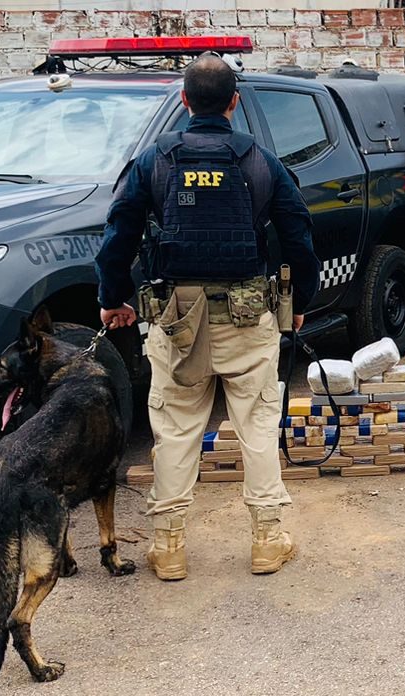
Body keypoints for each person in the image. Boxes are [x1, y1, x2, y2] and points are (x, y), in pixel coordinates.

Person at [95, 54, 320, 580]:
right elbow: (298, 237)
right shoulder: (261, 161)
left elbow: (119, 233)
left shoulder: (155, 161)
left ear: (184, 100)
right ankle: (267, 541)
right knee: (257, 427)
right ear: (235, 102)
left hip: (177, 322)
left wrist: (113, 297)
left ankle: (168, 547)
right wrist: (300, 304)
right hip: (248, 318)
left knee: (176, 431)